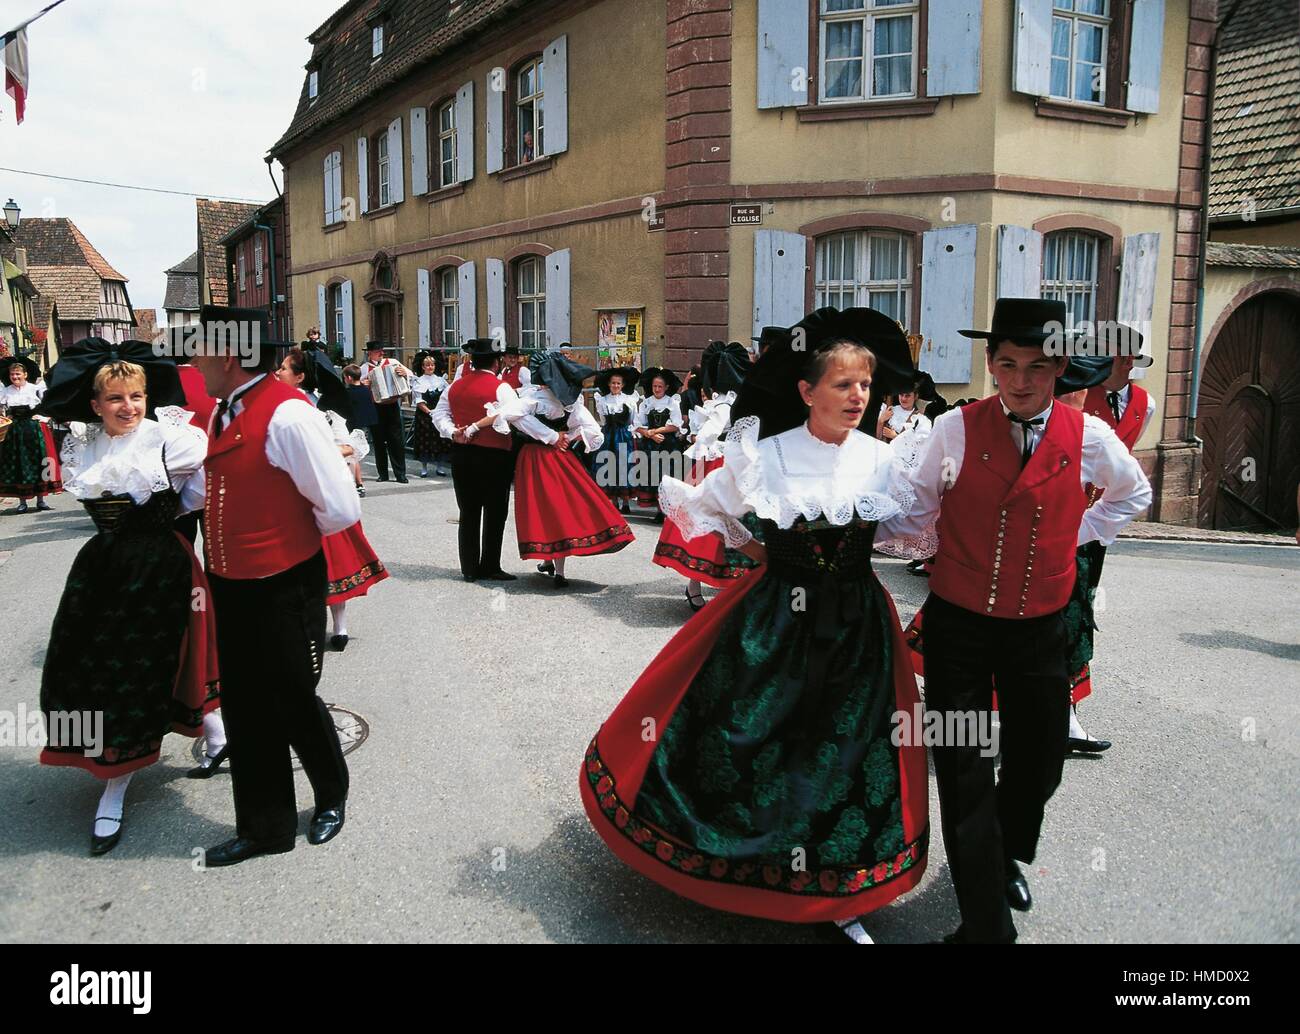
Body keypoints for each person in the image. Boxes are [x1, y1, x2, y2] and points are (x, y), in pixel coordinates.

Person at [581, 307, 928, 941]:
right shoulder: (763, 455)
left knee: (848, 751)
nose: (858, 397)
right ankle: (748, 868)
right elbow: (707, 510)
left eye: (865, 386)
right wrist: (767, 553)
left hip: (857, 625)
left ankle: (838, 893)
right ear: (807, 391)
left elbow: (913, 534)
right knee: (755, 736)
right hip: (775, 619)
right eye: (843, 385)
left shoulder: (886, 460)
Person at [886, 298, 1152, 943]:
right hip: (960, 625)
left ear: (1059, 368)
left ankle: (1002, 853)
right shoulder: (952, 430)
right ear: (990, 364)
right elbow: (916, 508)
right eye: (1007, 364)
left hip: (1040, 626)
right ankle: (985, 924)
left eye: (1037, 365)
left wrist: (1075, 533)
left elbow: (1133, 494)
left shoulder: (1088, 436)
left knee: (1039, 761)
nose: (1022, 379)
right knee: (963, 759)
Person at [190, 305, 360, 866]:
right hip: (231, 581)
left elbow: (338, 506)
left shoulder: (288, 415)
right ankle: (265, 827)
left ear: (233, 356)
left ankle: (331, 793)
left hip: (284, 582)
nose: (194, 359)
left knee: (291, 698)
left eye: (203, 348)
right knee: (245, 705)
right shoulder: (222, 411)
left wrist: (280, 540)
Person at [36, 341, 220, 853]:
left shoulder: (172, 441)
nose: (128, 407)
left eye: (136, 396)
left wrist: (162, 530)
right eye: (116, 398)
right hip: (100, 569)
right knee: (84, 665)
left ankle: (115, 788)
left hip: (160, 567)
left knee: (141, 668)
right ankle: (216, 733)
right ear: (96, 404)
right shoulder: (84, 444)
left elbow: (197, 499)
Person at [1071, 335, 1157, 753]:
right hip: (1056, 519)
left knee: (1078, 610)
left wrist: (1091, 526)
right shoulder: (1074, 399)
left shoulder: (1145, 402)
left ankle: (1063, 714)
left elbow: (1131, 485)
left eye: (1123, 359)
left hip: (1090, 526)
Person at [275, 348, 388, 653]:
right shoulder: (280, 407)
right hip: (295, 493)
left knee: (334, 560)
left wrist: (318, 453)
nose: (278, 373)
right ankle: (306, 625)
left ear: (300, 377)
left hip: (326, 490)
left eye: (284, 369)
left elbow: (350, 446)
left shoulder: (325, 409)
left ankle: (340, 626)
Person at [491, 351, 633, 588]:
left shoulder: (533, 399)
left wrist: (548, 436)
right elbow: (594, 433)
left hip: (535, 458)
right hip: (561, 458)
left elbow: (508, 415)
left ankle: (552, 562)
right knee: (560, 508)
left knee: (543, 509)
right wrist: (566, 437)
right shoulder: (570, 403)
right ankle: (557, 568)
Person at [652, 340, 756, 610]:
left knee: (734, 525)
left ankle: (729, 585)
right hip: (718, 463)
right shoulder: (723, 404)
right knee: (710, 524)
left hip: (732, 463)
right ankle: (695, 584)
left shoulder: (733, 400)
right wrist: (702, 442)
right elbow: (710, 431)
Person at [431, 339, 520, 583]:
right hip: (495, 454)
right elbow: (514, 415)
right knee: (495, 511)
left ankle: (469, 568)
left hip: (463, 453)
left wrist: (452, 431)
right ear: (496, 362)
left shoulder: (454, 386)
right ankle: (490, 565)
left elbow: (439, 414)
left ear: (471, 361)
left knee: (468, 511)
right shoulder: (501, 388)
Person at [1, 355, 60, 512]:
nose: (15, 377)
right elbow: (3, 411)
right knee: (19, 464)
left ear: (25, 375)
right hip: (15, 431)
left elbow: (48, 404)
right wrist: (6, 419)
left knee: (38, 462)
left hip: (33, 429)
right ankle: (22, 502)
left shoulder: (35, 389)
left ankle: (41, 500)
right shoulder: (6, 391)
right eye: (12, 374)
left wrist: (43, 417)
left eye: (18, 374)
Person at [632, 367, 684, 523]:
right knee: (654, 477)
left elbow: (676, 425)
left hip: (668, 444)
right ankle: (659, 510)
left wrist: (656, 430)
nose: (657, 389)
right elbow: (637, 424)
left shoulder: (672, 402)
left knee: (667, 477)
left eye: (660, 386)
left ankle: (668, 511)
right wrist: (649, 434)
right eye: (655, 386)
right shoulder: (646, 403)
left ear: (666, 387)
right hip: (651, 444)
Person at [359, 342, 413, 483]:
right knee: (378, 442)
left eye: (382, 351)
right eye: (378, 351)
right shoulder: (365, 368)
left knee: (396, 440)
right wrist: (364, 385)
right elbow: (358, 386)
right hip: (375, 407)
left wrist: (404, 373)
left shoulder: (393, 362)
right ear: (369, 353)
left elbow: (411, 374)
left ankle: (400, 474)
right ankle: (382, 474)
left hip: (392, 405)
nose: (382, 353)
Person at [591, 366, 639, 513]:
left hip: (624, 435)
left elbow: (633, 420)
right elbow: (603, 420)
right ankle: (614, 501)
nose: (616, 386)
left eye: (618, 383)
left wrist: (631, 434)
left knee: (624, 466)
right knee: (609, 465)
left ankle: (625, 502)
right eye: (613, 383)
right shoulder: (603, 400)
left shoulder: (629, 400)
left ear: (623, 385)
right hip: (608, 436)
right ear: (609, 384)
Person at [410, 352, 450, 478]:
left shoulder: (440, 381)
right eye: (427, 365)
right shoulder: (419, 382)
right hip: (424, 415)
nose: (430, 367)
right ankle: (424, 467)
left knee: (440, 439)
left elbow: (445, 397)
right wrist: (429, 411)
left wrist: (439, 412)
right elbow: (419, 401)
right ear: (422, 367)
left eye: (432, 365)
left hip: (439, 413)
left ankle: (439, 466)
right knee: (424, 440)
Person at [342, 364, 377, 496]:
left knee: (352, 455)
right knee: (355, 455)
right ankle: (357, 484)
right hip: (365, 426)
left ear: (349, 378)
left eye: (345, 377)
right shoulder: (366, 390)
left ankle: (358, 484)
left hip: (352, 426)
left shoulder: (348, 393)